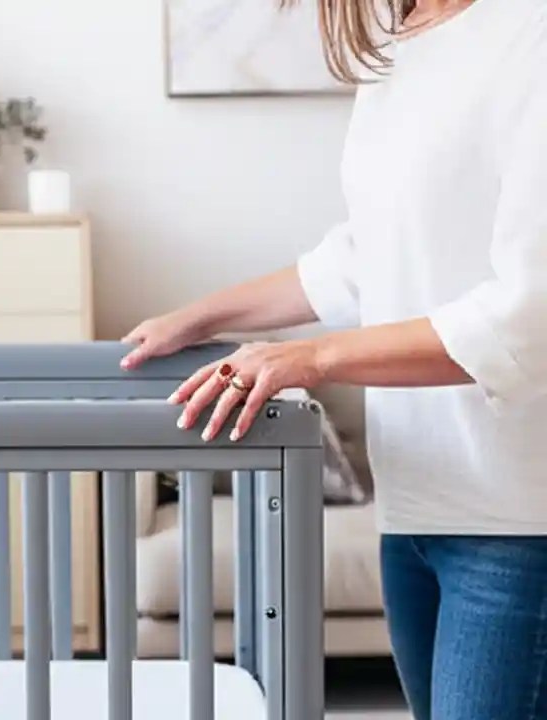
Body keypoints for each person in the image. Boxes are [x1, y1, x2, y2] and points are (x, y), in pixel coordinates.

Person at [119, 0, 547, 717]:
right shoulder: (400, 45)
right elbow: (363, 258)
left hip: (517, 516)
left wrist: (314, 358)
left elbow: (529, 315)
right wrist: (196, 318)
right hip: (412, 505)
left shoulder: (531, 34)